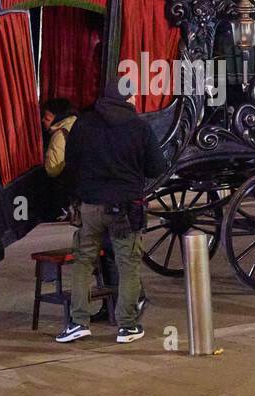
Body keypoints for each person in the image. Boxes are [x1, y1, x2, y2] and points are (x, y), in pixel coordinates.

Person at [56, 78, 165, 344]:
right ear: (128, 98)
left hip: (91, 206)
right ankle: (127, 326)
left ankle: (79, 322)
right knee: (127, 264)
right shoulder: (139, 127)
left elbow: (70, 163)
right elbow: (156, 167)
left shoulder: (84, 124)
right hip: (126, 207)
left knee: (83, 262)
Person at [41, 97, 76, 180]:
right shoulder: (75, 123)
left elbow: (52, 170)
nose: (42, 120)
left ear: (58, 119)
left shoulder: (59, 135)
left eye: (47, 118)